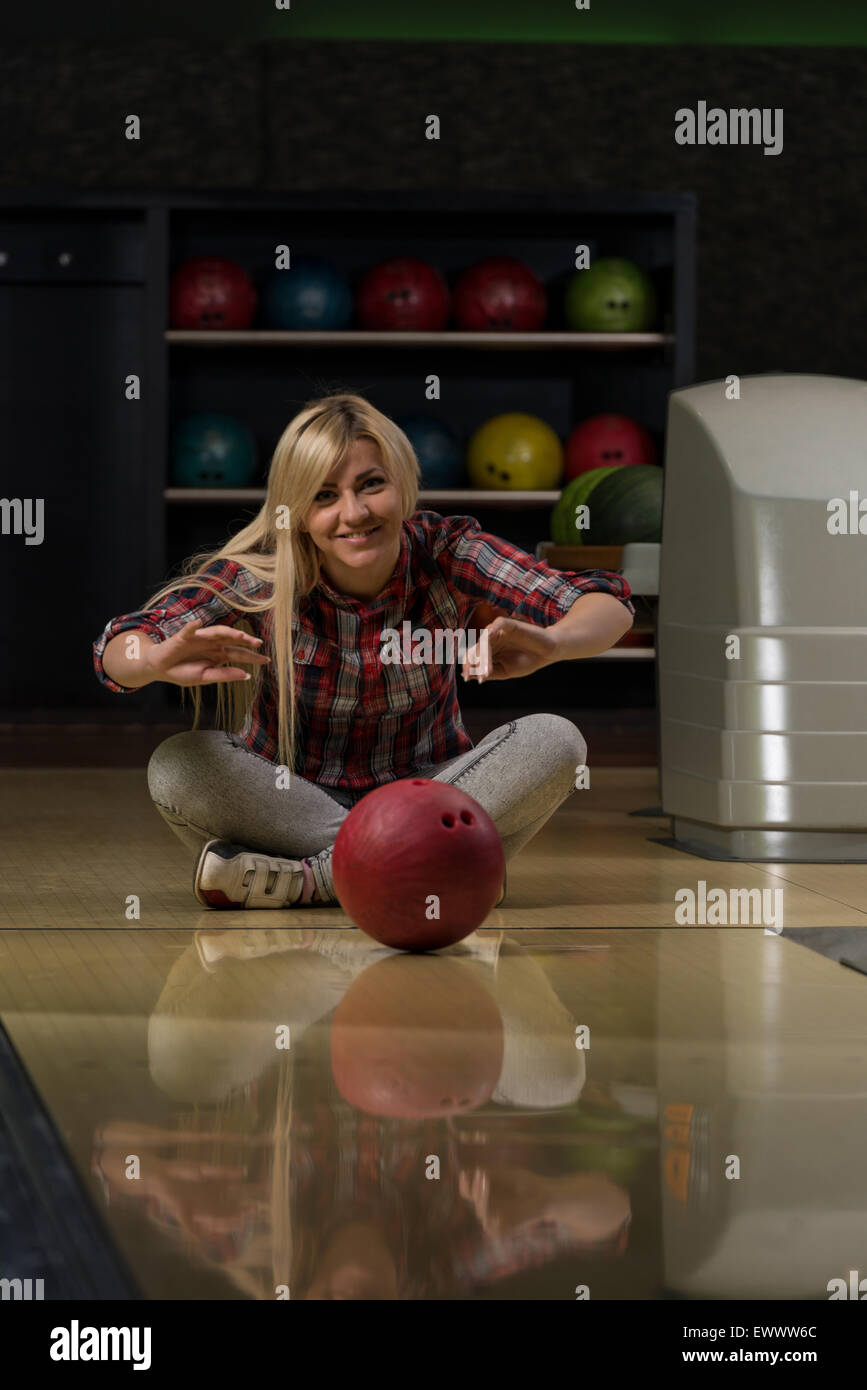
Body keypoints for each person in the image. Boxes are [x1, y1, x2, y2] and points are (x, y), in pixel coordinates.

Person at [93, 393, 634, 910]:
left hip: (431, 797)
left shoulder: (450, 551)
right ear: (298, 512)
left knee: (557, 740)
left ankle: (311, 882)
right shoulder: (264, 573)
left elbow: (606, 602)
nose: (352, 513)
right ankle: (426, 872)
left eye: (370, 485)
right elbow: (116, 649)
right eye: (324, 496)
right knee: (176, 766)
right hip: (291, 806)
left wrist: (557, 642)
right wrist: (153, 660)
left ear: (404, 486)